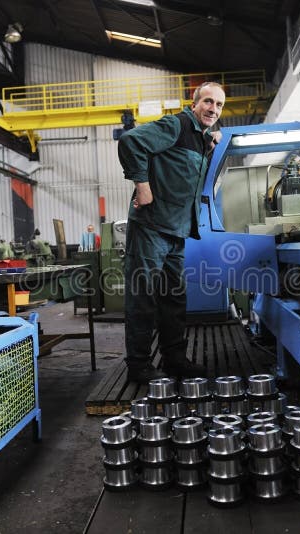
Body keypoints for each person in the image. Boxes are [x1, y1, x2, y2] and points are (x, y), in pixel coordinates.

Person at [118, 81, 225, 383]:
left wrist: (212, 143)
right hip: (151, 226)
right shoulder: (176, 125)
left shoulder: (202, 139)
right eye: (207, 101)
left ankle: (174, 359)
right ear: (195, 104)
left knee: (173, 297)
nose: (212, 109)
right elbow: (130, 141)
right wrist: (143, 185)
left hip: (176, 231)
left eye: (218, 105)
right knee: (143, 296)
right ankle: (138, 366)